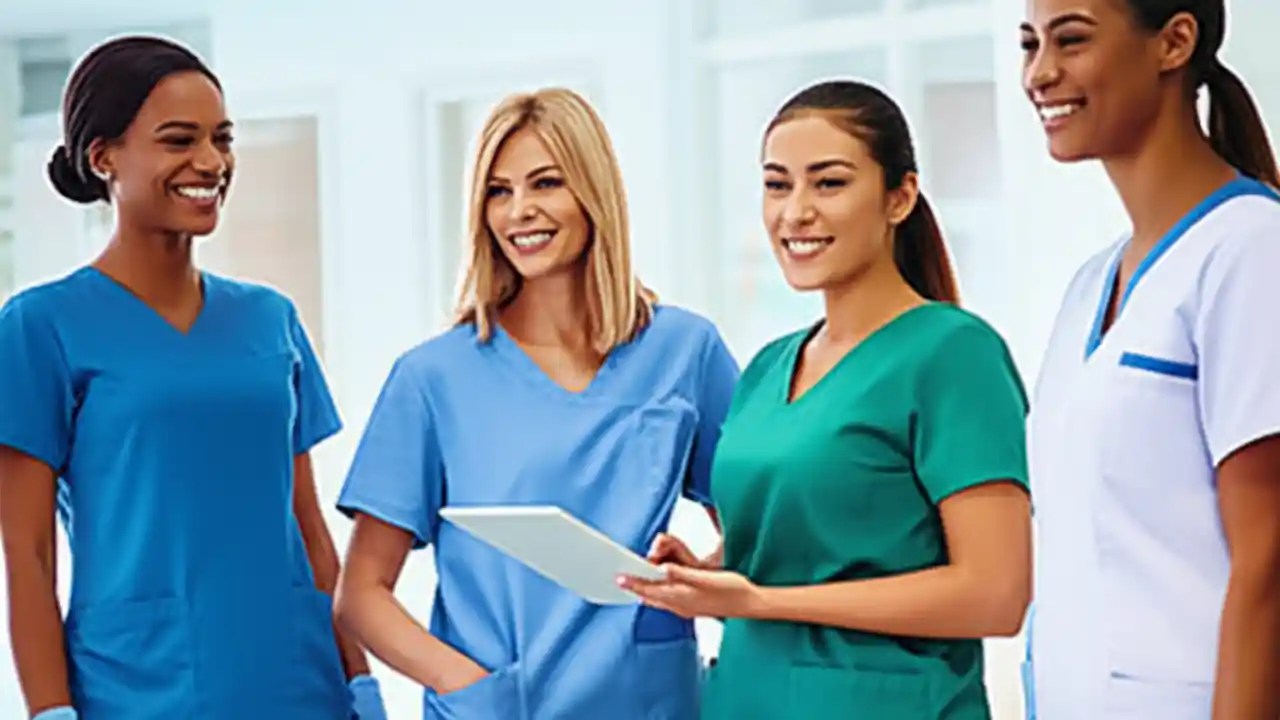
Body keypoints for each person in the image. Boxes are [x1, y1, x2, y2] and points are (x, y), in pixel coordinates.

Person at [621, 79, 1033, 719]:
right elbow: (812, 531)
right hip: (747, 698)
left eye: (829, 183)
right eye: (777, 184)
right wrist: (704, 573)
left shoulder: (954, 354)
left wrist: (762, 601)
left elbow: (996, 595)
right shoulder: (766, 367)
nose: (795, 212)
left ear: (900, 197)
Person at [0, 36, 385, 720]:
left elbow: (308, 527)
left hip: (300, 686)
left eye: (221, 139)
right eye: (179, 140)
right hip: (137, 691)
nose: (210, 163)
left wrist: (360, 679)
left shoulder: (270, 319)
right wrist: (50, 712)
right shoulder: (41, 326)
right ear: (103, 157)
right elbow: (28, 556)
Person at [332, 87, 739, 720]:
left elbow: (762, 530)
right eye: (498, 191)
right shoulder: (433, 378)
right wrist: (473, 690)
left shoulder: (686, 350)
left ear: (592, 192)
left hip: (649, 701)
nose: (519, 211)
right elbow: (361, 594)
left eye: (545, 184)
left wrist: (700, 580)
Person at [1020, 1, 1280, 717]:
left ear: (1174, 42)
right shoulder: (1087, 286)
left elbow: (1269, 561)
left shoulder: (1251, 251)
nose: (1040, 73)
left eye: (1071, 40)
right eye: (1029, 44)